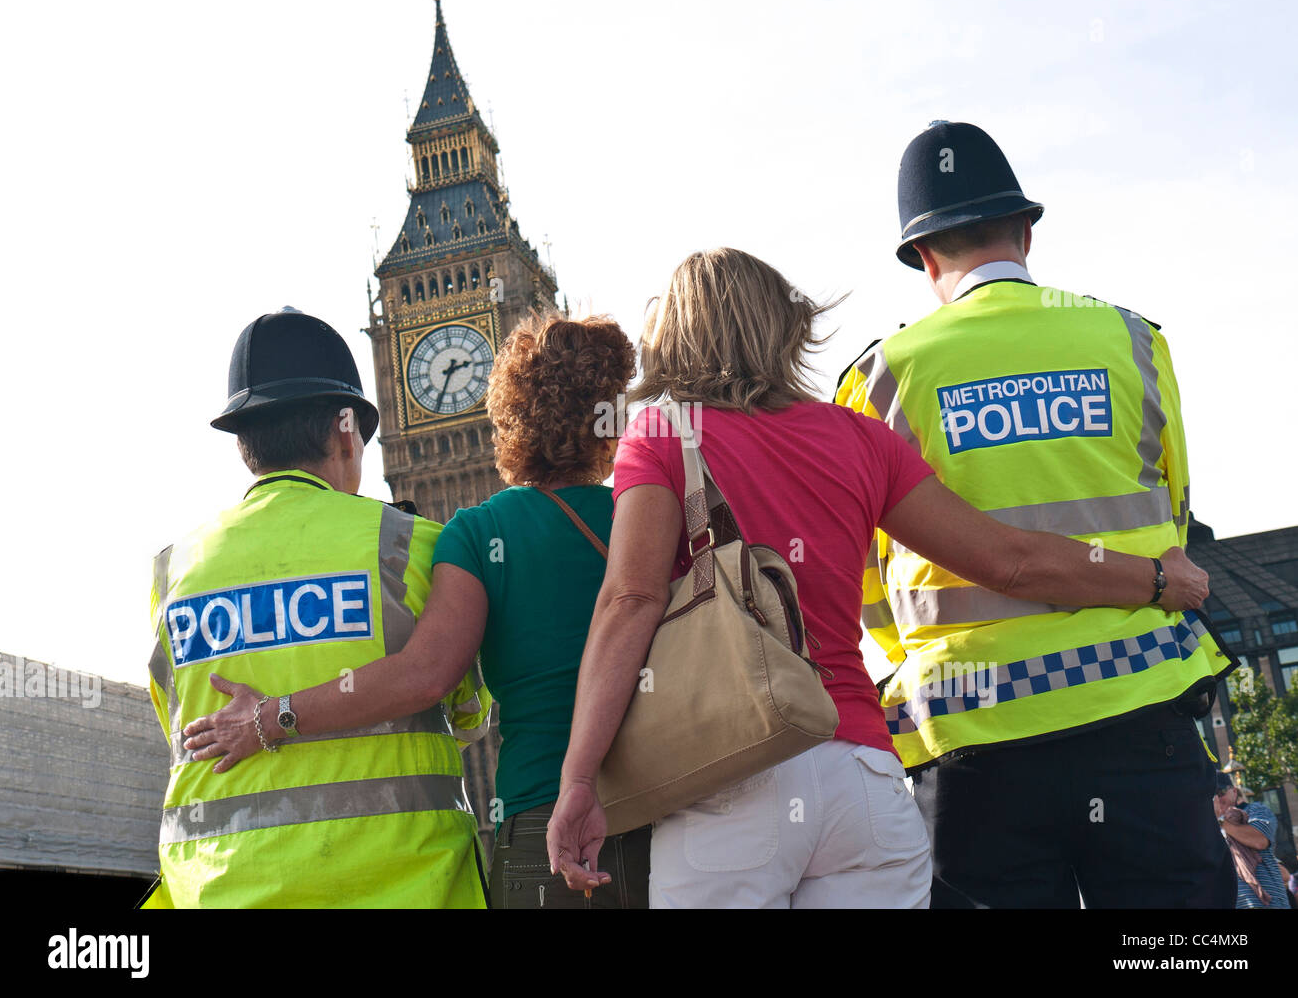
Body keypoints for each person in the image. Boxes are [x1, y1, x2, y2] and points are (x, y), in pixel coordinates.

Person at [546, 246, 1210, 909]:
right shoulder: (861, 438)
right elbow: (1011, 560)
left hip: (730, 782)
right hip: (861, 777)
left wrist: (579, 780)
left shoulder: (662, 433)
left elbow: (629, 599)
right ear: (784, 327)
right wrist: (1157, 578)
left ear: (672, 338)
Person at [833, 121, 1237, 908]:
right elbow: (1176, 514)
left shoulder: (877, 380)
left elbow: (868, 583)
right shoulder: (1133, 339)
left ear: (923, 258)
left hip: (970, 735)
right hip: (1140, 708)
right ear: (1026, 230)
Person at [182, 313, 649, 909]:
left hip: (540, 818)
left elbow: (430, 673)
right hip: (684, 795)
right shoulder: (652, 514)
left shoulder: (474, 535)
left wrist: (270, 719)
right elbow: (458, 702)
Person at [145, 308, 490, 908]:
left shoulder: (174, 569)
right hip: (405, 887)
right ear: (345, 429)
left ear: (244, 446)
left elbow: (181, 729)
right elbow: (469, 710)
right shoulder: (414, 545)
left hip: (222, 891)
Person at [1214, 775, 1290, 910]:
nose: (1218, 798)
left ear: (1234, 791)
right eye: (1212, 795)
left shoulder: (1255, 810)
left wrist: (1220, 820)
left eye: (1221, 792)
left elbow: (1259, 840)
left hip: (1268, 903)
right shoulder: (1207, 826)